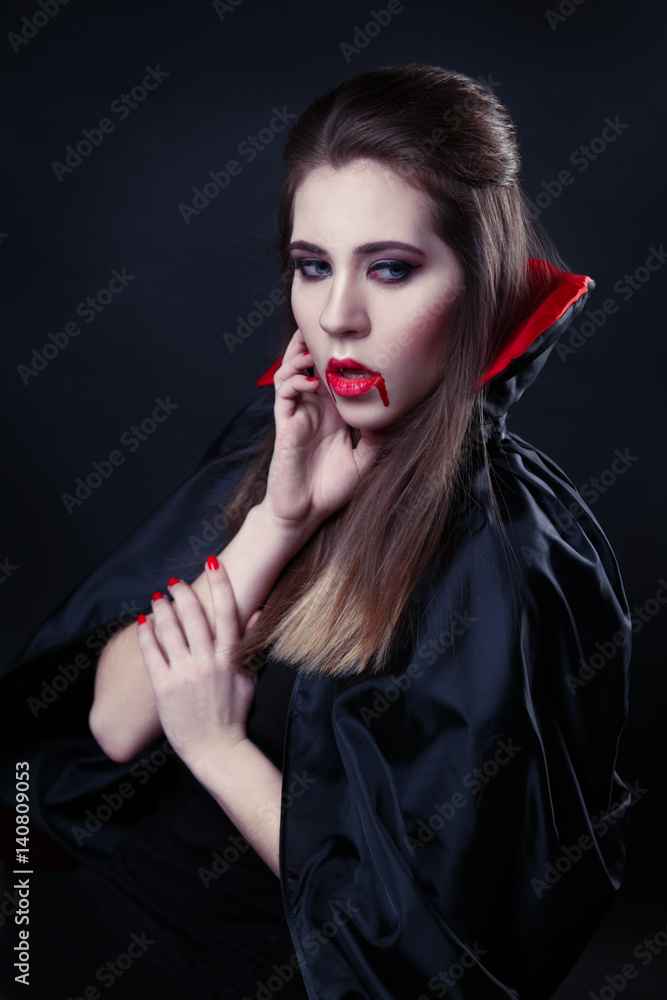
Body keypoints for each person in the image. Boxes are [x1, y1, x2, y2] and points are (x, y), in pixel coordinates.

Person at [0, 64, 631, 999]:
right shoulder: (286, 444)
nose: (337, 317)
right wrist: (277, 521)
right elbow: (114, 723)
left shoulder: (507, 560)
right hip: (101, 905)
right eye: (311, 267)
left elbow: (410, 940)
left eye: (390, 267)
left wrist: (219, 750)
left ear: (479, 281)